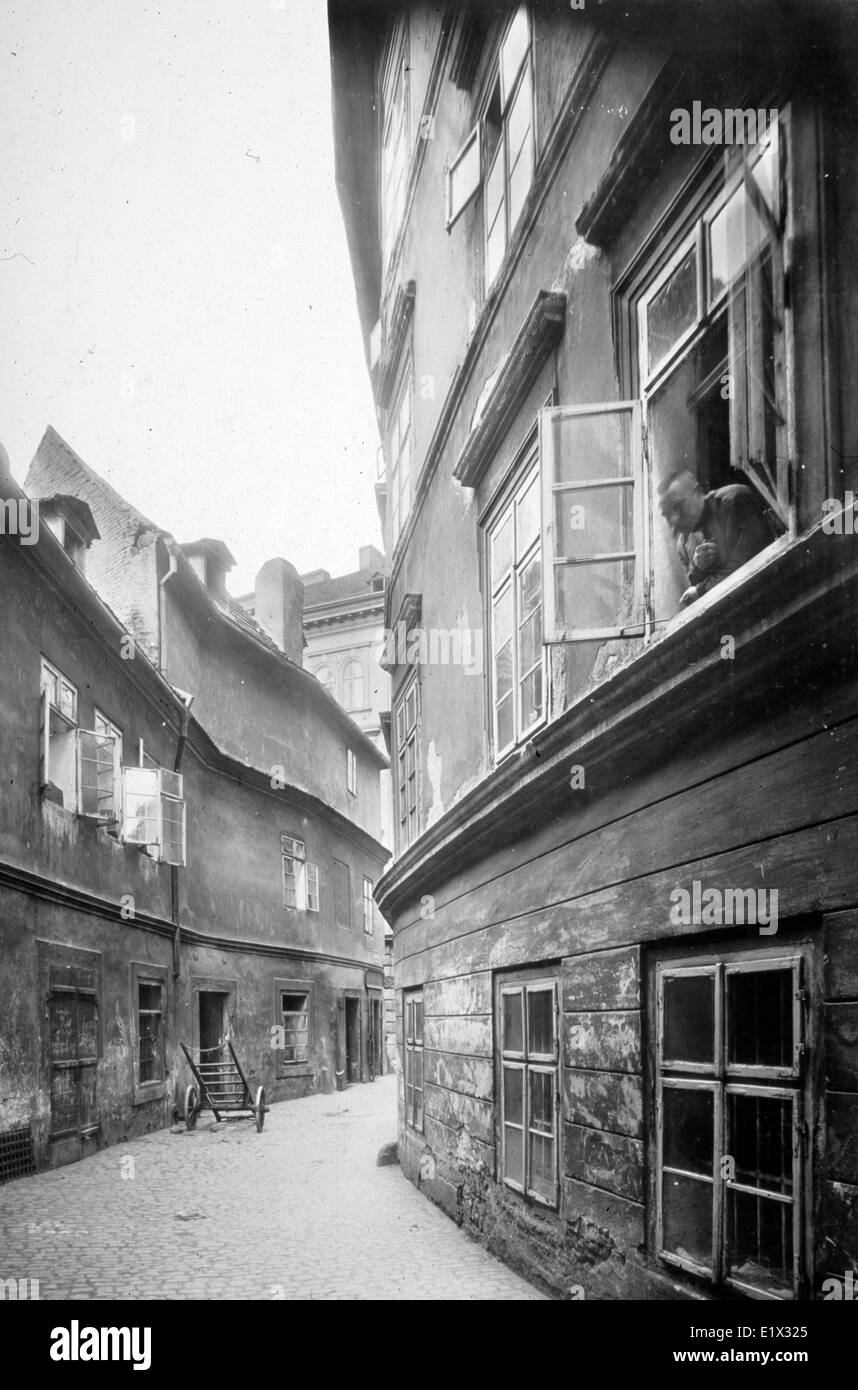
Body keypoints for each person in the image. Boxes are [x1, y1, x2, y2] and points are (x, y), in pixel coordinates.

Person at [659, 470, 776, 609]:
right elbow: (695, 587)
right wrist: (698, 568)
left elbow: (745, 569)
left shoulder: (735, 501)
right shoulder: (683, 543)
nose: (675, 519)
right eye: (667, 514)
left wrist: (700, 590)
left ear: (698, 492)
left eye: (678, 506)